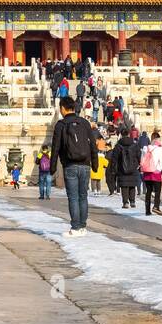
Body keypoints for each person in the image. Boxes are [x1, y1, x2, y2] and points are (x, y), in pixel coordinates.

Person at [50, 98, 96, 235]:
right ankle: (82, 226)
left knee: (73, 197)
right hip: (85, 164)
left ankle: (75, 227)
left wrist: (52, 167)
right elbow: (92, 144)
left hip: (70, 165)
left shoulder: (61, 124)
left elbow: (55, 147)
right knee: (83, 196)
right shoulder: (84, 122)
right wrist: (95, 163)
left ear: (63, 108)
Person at [139, 131, 162, 215]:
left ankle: (147, 210)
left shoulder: (146, 148)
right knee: (157, 191)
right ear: (157, 139)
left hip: (147, 172)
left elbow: (142, 160)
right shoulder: (160, 149)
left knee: (148, 191)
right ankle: (156, 207)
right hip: (156, 173)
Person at [111, 129, 141, 208]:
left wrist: (113, 169)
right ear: (128, 134)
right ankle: (132, 201)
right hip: (133, 168)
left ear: (121, 134)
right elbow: (139, 156)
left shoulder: (118, 146)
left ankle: (125, 202)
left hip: (122, 169)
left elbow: (114, 158)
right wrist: (138, 164)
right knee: (132, 185)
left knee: (124, 186)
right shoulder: (135, 145)